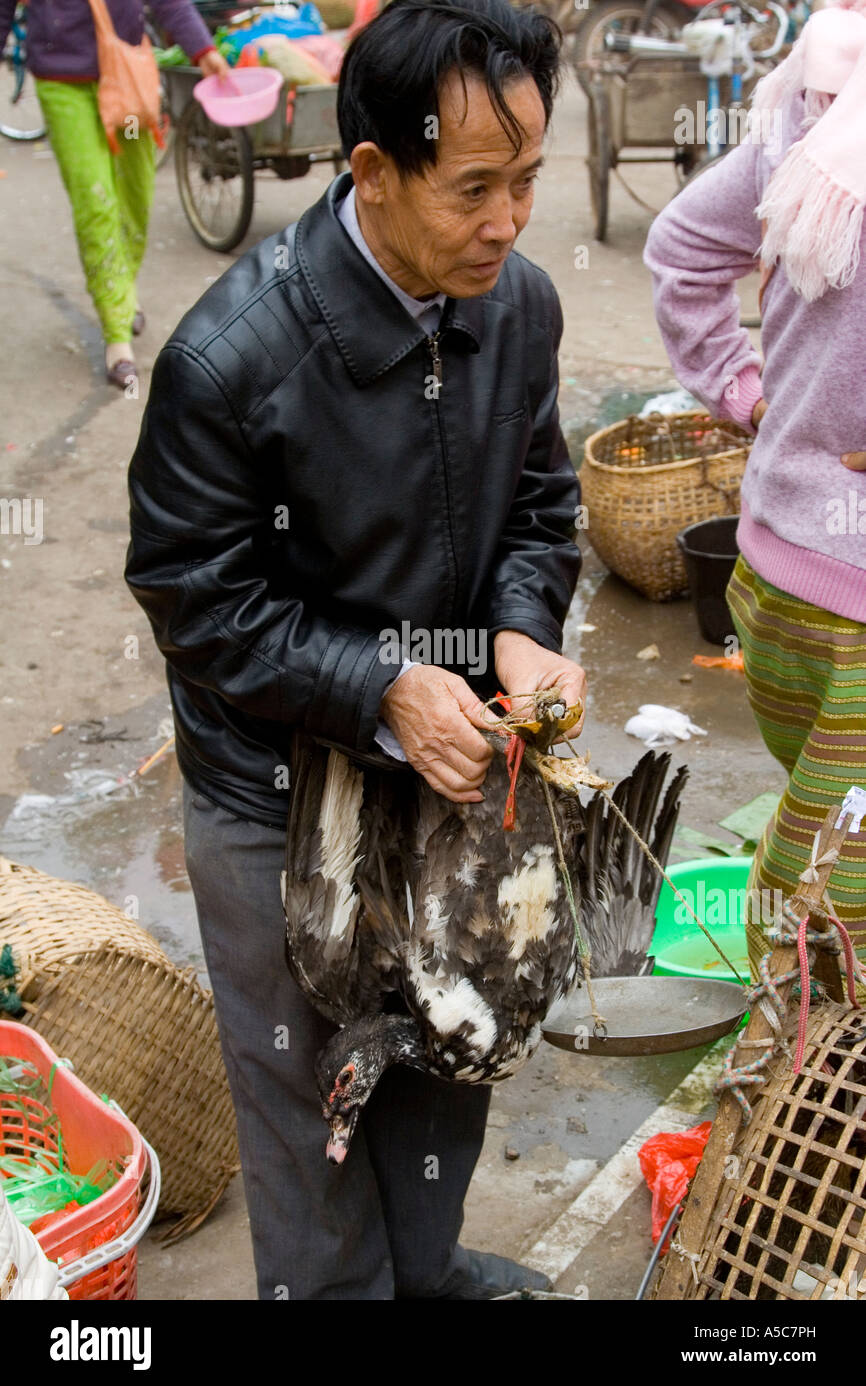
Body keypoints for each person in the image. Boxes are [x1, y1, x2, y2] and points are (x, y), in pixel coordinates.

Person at [125, 0, 587, 1299]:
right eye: (475, 188)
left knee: (445, 1050)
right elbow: (193, 594)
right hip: (274, 795)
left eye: (530, 180)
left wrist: (522, 629)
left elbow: (542, 509)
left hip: (452, 776)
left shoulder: (518, 306)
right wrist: (379, 682)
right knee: (313, 1109)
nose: (509, 221)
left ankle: (423, 1272)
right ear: (371, 173)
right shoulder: (230, 359)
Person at [644, 1, 866, 987]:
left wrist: (752, 396)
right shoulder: (812, 105)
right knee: (817, 915)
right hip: (823, 603)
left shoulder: (821, 86)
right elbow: (684, 249)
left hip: (774, 577)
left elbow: (681, 246)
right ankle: (799, 1113)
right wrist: (748, 390)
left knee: (817, 888)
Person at [0, 0, 228, 388]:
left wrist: (204, 51)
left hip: (128, 81)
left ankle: (123, 288)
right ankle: (117, 334)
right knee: (96, 200)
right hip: (64, 86)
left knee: (135, 192)